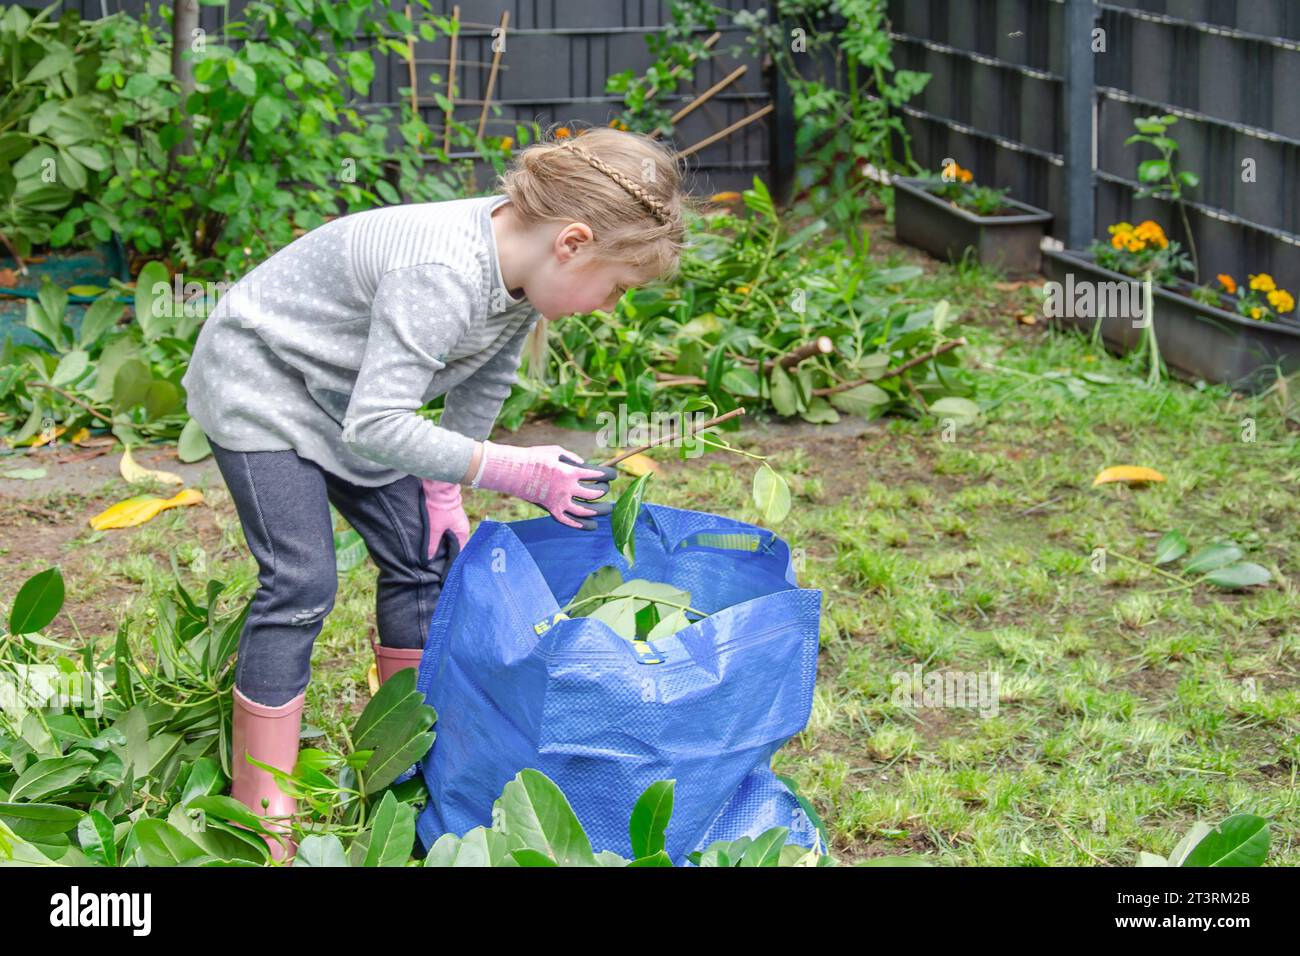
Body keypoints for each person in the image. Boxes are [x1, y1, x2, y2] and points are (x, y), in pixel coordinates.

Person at [180, 125, 688, 862]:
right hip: (261, 387)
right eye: (616, 287)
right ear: (573, 242)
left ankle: (404, 759)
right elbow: (380, 423)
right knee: (302, 582)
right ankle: (261, 796)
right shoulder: (442, 271)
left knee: (423, 556)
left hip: (347, 400)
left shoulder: (521, 268)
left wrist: (446, 489)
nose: (608, 306)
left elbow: (480, 383)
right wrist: (508, 470)